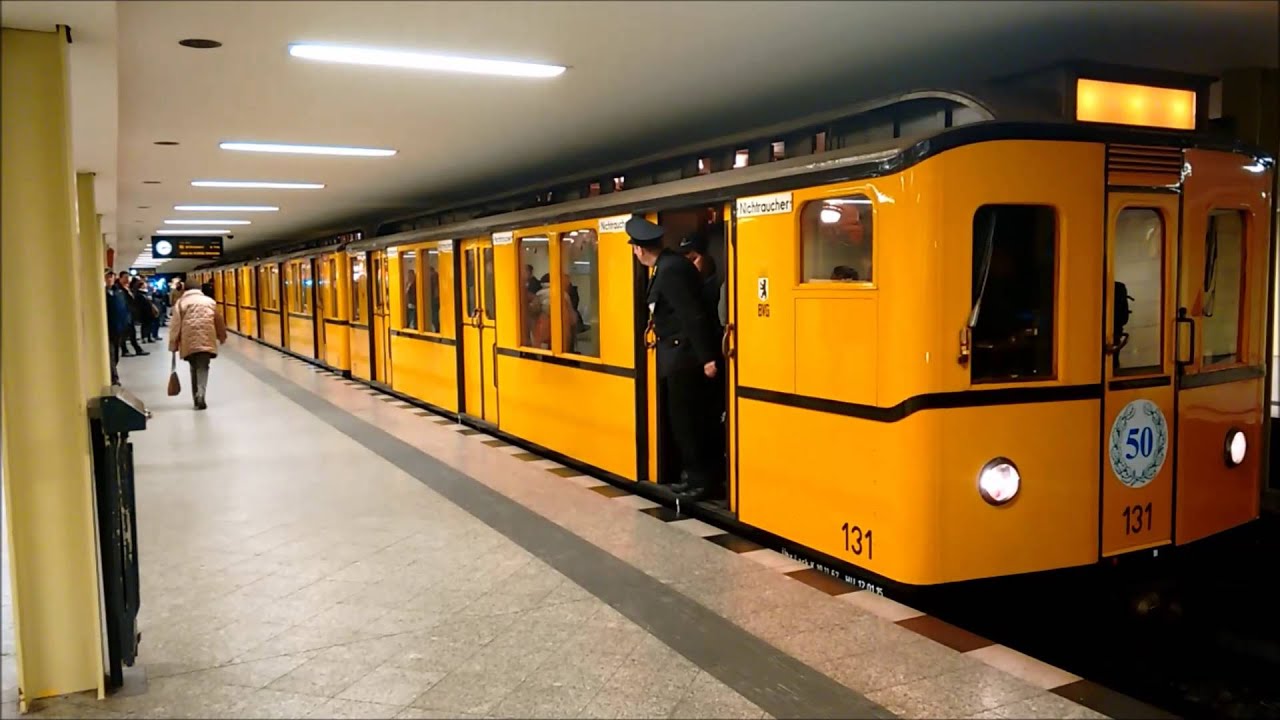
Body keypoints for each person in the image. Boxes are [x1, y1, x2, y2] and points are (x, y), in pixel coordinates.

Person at [627, 215, 722, 501]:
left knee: (690, 422)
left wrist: (707, 357)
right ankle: (693, 476)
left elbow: (692, 315)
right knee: (684, 421)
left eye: (634, 249)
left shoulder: (670, 270)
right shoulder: (668, 266)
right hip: (678, 356)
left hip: (686, 358)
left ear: (640, 250)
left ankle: (702, 481)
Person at [169, 282, 227, 410]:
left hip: (188, 341)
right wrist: (222, 336)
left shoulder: (181, 303)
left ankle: (195, 398)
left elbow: (175, 325)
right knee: (203, 367)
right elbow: (218, 320)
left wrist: (173, 343)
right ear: (199, 289)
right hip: (206, 338)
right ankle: (201, 394)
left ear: (185, 289)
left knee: (193, 368)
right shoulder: (210, 302)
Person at [104, 271, 131, 386]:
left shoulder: (118, 292)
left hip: (119, 327)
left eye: (111, 276)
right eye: (107, 277)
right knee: (110, 353)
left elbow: (124, 308)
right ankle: (114, 377)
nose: (109, 279)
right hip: (108, 327)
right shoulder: (102, 293)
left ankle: (113, 372)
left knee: (115, 353)